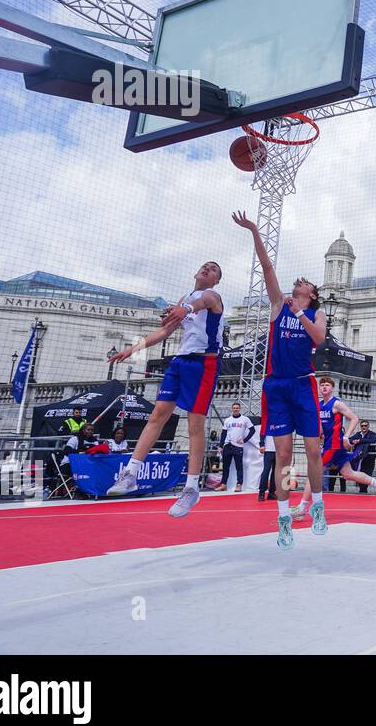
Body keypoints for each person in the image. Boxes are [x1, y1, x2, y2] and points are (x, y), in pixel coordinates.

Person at [229, 212, 329, 548]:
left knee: (313, 450)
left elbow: (317, 339)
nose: (297, 282)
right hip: (277, 385)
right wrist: (255, 231)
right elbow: (267, 266)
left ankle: (317, 506)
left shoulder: (314, 312)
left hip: (303, 384)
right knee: (283, 456)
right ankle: (284, 516)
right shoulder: (277, 306)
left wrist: (299, 312)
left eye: (305, 282)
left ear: (311, 294)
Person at [105, 258, 225, 518]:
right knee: (158, 414)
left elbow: (201, 303)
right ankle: (131, 473)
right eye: (205, 265)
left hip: (204, 363)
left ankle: (192, 488)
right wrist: (132, 349)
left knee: (195, 424)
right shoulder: (185, 298)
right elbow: (163, 333)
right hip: (181, 360)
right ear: (196, 271)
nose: (207, 268)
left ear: (216, 280)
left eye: (213, 269)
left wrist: (186, 309)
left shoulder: (211, 296)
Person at [291, 377, 376, 519]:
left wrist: (346, 437)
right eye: (322, 385)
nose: (324, 387)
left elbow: (354, 418)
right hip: (329, 444)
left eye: (327, 385)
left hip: (335, 445)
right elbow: (320, 430)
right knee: (348, 474)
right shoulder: (319, 406)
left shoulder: (336, 403)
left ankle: (302, 507)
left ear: (332, 388)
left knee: (314, 472)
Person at [217, 402, 254, 492]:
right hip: (227, 446)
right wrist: (220, 446)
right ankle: (223, 484)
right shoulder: (228, 420)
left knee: (239, 466)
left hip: (238, 446)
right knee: (226, 466)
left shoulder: (245, 419)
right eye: (234, 408)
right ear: (232, 409)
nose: (235, 409)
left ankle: (239, 484)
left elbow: (252, 430)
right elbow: (223, 433)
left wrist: (244, 440)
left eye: (237, 408)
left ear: (240, 409)